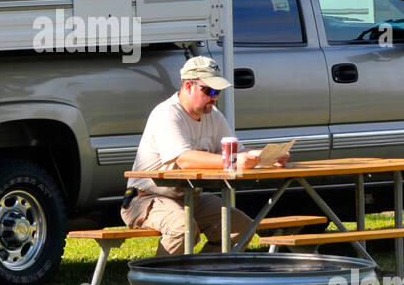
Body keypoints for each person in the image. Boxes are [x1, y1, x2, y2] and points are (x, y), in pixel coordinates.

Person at [121, 55, 284, 256]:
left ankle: (205, 277)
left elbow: (237, 152)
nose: (214, 97)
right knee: (183, 229)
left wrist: (264, 156)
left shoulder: (213, 114)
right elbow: (185, 159)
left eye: (218, 92)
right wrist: (233, 161)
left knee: (241, 228)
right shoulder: (166, 114)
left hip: (190, 198)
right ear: (188, 86)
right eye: (209, 90)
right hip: (146, 199)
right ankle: (153, 283)